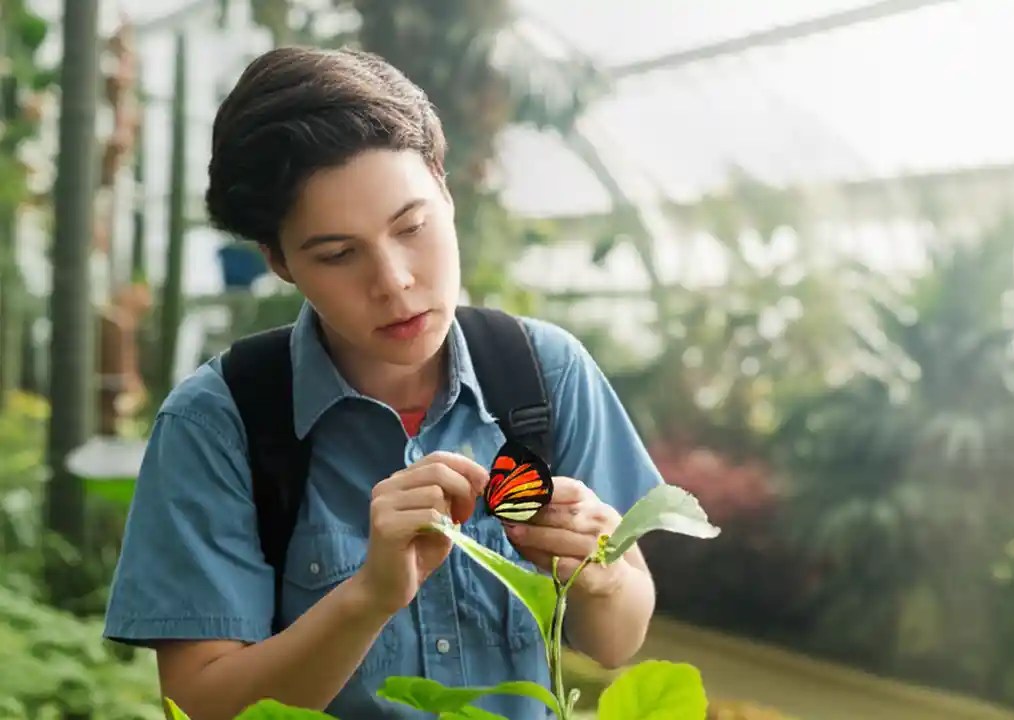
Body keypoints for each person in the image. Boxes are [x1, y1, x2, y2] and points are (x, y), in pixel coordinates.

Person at [102, 46, 662, 720]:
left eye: (413, 226)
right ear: (279, 261)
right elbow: (197, 706)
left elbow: (617, 641)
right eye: (338, 254)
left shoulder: (543, 374)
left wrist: (600, 581)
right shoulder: (219, 425)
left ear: (444, 190)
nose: (394, 281)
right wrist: (366, 597)